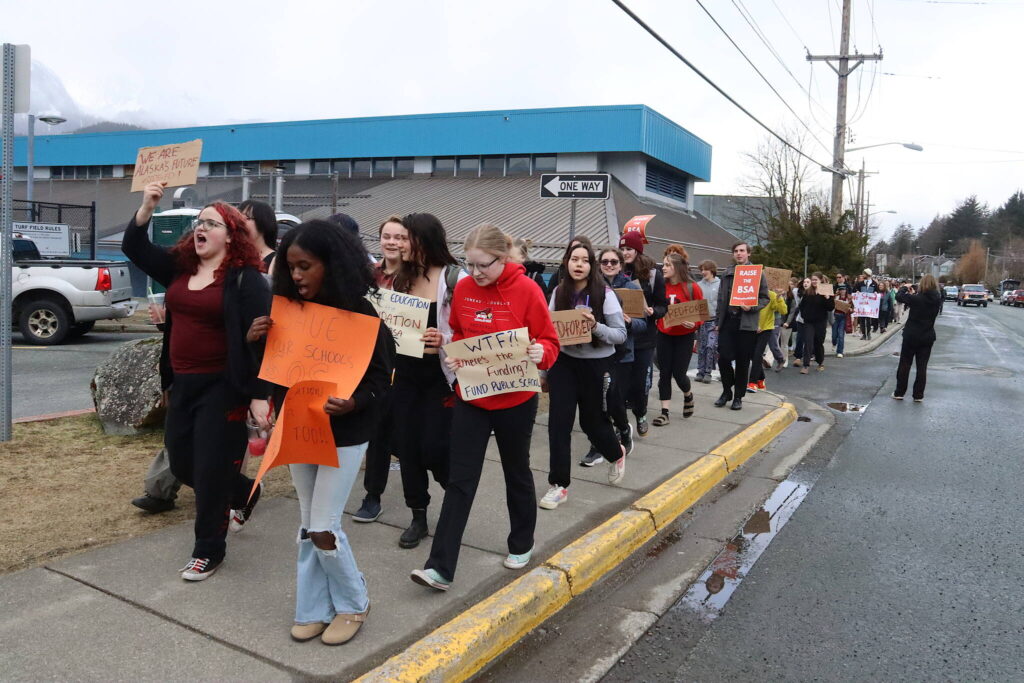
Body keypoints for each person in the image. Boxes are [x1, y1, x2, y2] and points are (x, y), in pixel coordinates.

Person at [248, 219, 394, 645]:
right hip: (300, 428)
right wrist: (255, 341)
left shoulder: (363, 316)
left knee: (324, 525)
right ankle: (312, 608)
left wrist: (353, 403)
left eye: (305, 266)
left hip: (346, 434)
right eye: (289, 267)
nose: (295, 275)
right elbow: (275, 373)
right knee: (306, 524)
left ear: (331, 265)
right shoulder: (286, 312)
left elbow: (382, 381)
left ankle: (353, 602)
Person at [122, 182, 271, 581]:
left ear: (231, 235)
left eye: (212, 223)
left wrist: (261, 396)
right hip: (181, 384)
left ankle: (209, 550)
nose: (201, 228)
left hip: (223, 387)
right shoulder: (180, 267)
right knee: (184, 461)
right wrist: (147, 207)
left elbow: (264, 342)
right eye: (199, 222)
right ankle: (244, 492)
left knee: (209, 471)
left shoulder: (246, 280)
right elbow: (134, 249)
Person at [411, 224, 559, 592]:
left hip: (516, 399)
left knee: (516, 471)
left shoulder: (527, 289)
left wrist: (542, 353)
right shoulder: (463, 288)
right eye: (470, 264)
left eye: (484, 265)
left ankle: (522, 542)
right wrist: (451, 345)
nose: (475, 272)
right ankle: (440, 567)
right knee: (460, 480)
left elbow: (548, 339)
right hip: (472, 396)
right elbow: (461, 332)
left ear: (504, 257)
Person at [388, 213, 467, 549]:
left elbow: (471, 330)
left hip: (441, 379)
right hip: (404, 377)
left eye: (406, 238)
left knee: (435, 447)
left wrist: (444, 339)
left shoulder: (455, 278)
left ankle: (456, 499)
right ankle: (417, 515)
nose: (400, 245)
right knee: (407, 448)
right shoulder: (399, 279)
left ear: (423, 240)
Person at [544, 241, 628, 505]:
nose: (578, 264)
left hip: (597, 365)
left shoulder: (605, 293)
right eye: (574, 259)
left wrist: (596, 327)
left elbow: (620, 335)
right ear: (566, 263)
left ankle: (616, 453)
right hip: (564, 364)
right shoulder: (558, 292)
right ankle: (559, 485)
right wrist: (545, 371)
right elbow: (548, 333)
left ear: (591, 266)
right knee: (559, 424)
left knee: (592, 423)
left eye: (584, 260)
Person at [353, 216, 410, 523]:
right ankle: (372, 495)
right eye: (387, 236)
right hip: (374, 362)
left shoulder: (418, 277)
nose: (392, 242)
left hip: (409, 364)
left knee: (407, 434)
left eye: (399, 237)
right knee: (377, 429)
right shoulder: (368, 275)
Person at [580, 247, 647, 466]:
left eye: (614, 262)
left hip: (622, 353)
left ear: (621, 264)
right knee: (598, 401)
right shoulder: (589, 287)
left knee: (615, 400)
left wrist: (628, 321)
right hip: (596, 353)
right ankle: (597, 446)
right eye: (605, 262)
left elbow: (642, 324)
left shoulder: (631, 287)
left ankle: (624, 429)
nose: (609, 265)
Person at [619, 231, 666, 436]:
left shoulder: (653, 273)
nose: (624, 253)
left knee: (639, 383)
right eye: (622, 249)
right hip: (621, 336)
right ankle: (621, 426)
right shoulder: (615, 271)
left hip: (644, 339)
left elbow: (663, 305)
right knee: (619, 385)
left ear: (638, 250)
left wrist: (653, 312)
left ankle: (640, 413)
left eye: (628, 249)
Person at [714, 242, 768, 410]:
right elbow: (721, 299)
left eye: (742, 251)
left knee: (743, 362)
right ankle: (726, 390)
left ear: (748, 254)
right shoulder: (727, 273)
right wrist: (718, 322)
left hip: (746, 323)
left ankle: (738, 396)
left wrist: (752, 307)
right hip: (728, 321)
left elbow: (765, 298)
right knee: (723, 358)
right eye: (736, 251)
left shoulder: (757, 274)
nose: (739, 254)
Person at [652, 252, 703, 426]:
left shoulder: (692, 287)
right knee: (664, 373)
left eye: (667, 265)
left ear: (677, 268)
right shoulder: (660, 286)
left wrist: (695, 324)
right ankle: (664, 412)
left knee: (679, 374)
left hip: (684, 337)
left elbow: (701, 313)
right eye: (663, 264)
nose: (663, 268)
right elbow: (657, 306)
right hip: (664, 335)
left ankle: (688, 394)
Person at [892, 274, 942, 402]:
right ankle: (918, 395)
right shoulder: (937, 299)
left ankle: (900, 392)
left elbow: (899, 296)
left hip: (911, 335)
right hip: (927, 336)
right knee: (922, 367)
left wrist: (905, 287)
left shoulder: (916, 299)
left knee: (905, 364)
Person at [748, 288, 787, 392]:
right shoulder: (750, 292)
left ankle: (752, 382)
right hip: (751, 327)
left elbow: (783, 310)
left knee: (757, 354)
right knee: (752, 354)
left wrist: (779, 298)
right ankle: (761, 379)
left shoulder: (771, 294)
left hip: (766, 328)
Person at [796, 272, 834, 374]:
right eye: (812, 279)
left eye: (815, 279)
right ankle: (806, 365)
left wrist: (827, 297)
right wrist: (804, 315)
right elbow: (801, 306)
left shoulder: (826, 291)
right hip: (809, 322)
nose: (813, 281)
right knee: (808, 342)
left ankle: (820, 362)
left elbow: (831, 307)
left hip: (820, 322)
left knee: (818, 343)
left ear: (821, 280)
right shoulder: (808, 292)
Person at [695, 260, 720, 383]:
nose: (703, 272)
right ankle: (700, 371)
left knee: (711, 346)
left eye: (705, 269)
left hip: (714, 320)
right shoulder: (698, 285)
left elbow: (722, 304)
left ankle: (708, 372)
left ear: (712, 270)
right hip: (702, 320)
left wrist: (720, 322)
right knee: (702, 347)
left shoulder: (720, 284)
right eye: (701, 270)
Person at [238, 199, 278, 273]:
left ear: (263, 223)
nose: (240, 222)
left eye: (247, 218)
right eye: (238, 218)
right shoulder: (234, 258)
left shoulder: (275, 261)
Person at [854, 269, 878, 340]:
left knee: (868, 320)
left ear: (867, 274)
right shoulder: (860, 283)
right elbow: (854, 289)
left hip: (870, 305)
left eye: (864, 273)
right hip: (862, 305)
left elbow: (877, 291)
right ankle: (864, 334)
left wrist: (876, 293)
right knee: (862, 320)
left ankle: (868, 333)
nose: (863, 275)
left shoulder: (874, 284)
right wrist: (857, 291)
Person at [832, 286, 851, 358]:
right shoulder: (835, 297)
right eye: (841, 290)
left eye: (844, 290)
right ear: (839, 291)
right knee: (834, 335)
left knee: (841, 335)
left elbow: (852, 308)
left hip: (843, 317)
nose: (843, 291)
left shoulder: (849, 298)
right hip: (835, 317)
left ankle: (840, 352)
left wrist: (850, 309)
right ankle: (834, 343)